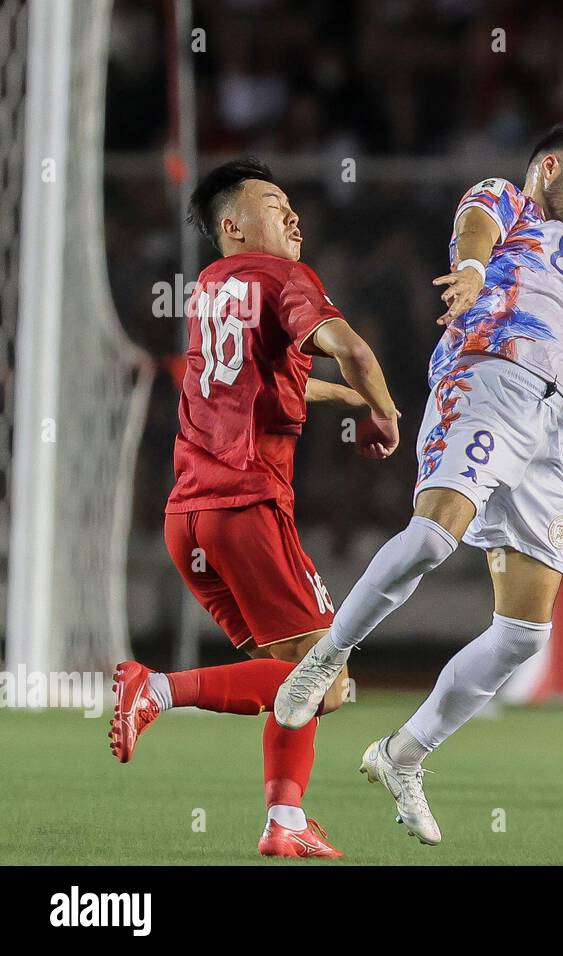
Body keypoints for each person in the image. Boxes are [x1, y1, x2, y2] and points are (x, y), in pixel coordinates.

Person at [273, 124, 563, 846]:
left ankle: (403, 755)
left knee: (523, 633)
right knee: (432, 537)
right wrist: (477, 273)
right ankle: (329, 655)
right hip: (488, 375)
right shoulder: (506, 202)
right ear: (550, 166)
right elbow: (474, 232)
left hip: (552, 429)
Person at [110, 157, 402, 858]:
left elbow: (279, 387)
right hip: (247, 507)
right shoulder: (285, 279)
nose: (293, 215)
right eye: (274, 205)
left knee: (299, 672)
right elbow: (353, 350)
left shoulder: (210, 290)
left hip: (190, 519)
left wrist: (355, 400)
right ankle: (156, 688)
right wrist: (388, 413)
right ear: (233, 225)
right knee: (326, 679)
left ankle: (286, 822)